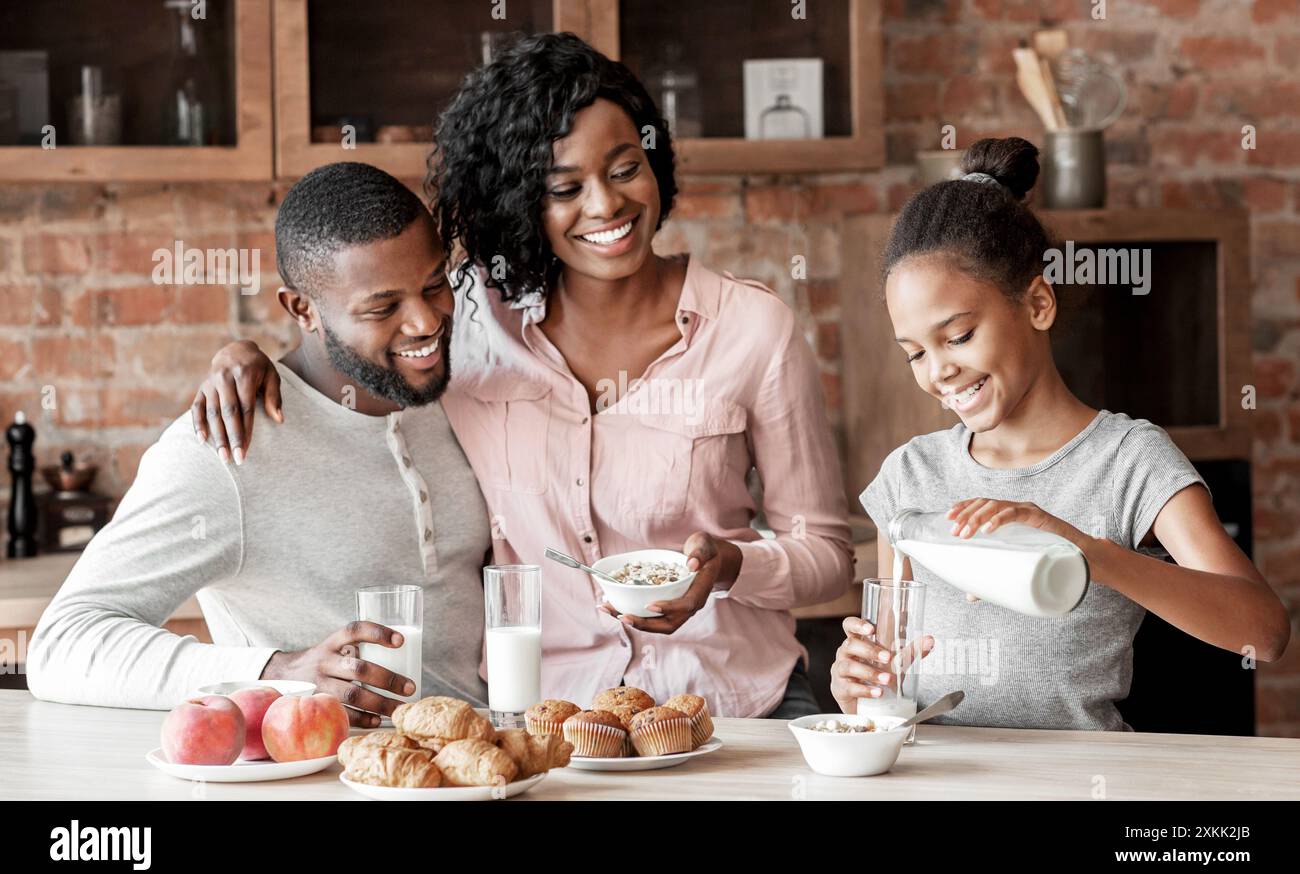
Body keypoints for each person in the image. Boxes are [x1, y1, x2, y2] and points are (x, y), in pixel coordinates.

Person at [192, 33, 853, 718]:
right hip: (545, 721)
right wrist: (245, 355)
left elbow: (828, 554)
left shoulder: (751, 329)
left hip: (733, 710)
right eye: (564, 188)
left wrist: (735, 566)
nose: (605, 207)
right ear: (519, 204)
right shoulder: (475, 320)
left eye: (625, 169)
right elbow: (360, 340)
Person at [830, 137, 1290, 730]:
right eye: (915, 353)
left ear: (1039, 303)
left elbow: (1265, 633)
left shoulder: (1128, 461)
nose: (938, 370)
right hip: (937, 784)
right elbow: (886, 686)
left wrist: (1089, 554)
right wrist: (858, 686)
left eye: (960, 336)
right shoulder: (910, 475)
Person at [28, 163, 491, 725]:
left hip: (482, 772)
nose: (425, 322)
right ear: (302, 310)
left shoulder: (461, 395)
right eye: (382, 307)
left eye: (434, 284)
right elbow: (63, 644)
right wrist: (277, 675)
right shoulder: (230, 446)